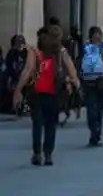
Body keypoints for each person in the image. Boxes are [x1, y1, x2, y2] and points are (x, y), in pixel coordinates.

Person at [12, 24, 80, 165]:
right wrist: (75, 84)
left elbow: (27, 71)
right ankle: (48, 154)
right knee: (50, 125)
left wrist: (18, 89)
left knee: (37, 123)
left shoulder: (35, 51)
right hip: (54, 93)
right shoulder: (61, 52)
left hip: (35, 92)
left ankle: (37, 153)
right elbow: (72, 71)